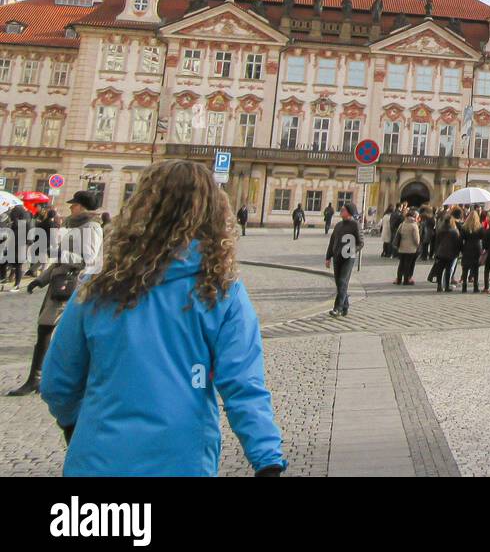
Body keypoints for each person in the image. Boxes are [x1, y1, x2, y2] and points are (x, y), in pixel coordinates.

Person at [40, 159, 285, 477]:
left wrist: (74, 424)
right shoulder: (220, 292)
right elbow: (244, 386)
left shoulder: (97, 288)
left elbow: (57, 382)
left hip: (98, 459)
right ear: (213, 214)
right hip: (180, 459)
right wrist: (267, 460)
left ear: (141, 208)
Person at [8, 191, 104, 397]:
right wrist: (41, 279)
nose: (71, 207)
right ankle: (40, 377)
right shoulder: (76, 226)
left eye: (75, 204)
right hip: (58, 283)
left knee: (46, 329)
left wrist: (57, 252)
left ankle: (37, 378)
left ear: (83, 207)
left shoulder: (92, 227)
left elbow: (88, 259)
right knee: (46, 329)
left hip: (70, 286)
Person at [325, 204, 362, 316]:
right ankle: (345, 305)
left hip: (348, 257)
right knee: (339, 283)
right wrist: (328, 257)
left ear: (350, 212)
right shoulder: (338, 225)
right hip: (337, 257)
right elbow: (332, 242)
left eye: (344, 210)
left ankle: (338, 308)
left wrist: (352, 250)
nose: (341, 211)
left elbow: (361, 242)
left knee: (342, 281)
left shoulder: (355, 225)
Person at [429, 211, 461, 291]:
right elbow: (457, 243)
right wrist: (458, 252)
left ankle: (439, 286)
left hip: (440, 253)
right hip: (451, 253)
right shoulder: (454, 232)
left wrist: (435, 252)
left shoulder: (440, 231)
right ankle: (446, 286)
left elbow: (437, 242)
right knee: (448, 270)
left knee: (440, 269)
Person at [393, 209, 421, 285]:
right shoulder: (414, 225)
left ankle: (399, 279)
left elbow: (397, 235)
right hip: (411, 249)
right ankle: (406, 280)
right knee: (408, 265)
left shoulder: (402, 224)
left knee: (401, 264)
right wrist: (418, 245)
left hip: (402, 247)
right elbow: (416, 239)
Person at [460, 211, 483, 294]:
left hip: (467, 248)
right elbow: (483, 237)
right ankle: (475, 287)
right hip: (476, 248)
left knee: (465, 268)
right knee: (475, 269)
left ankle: (464, 287)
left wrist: (462, 249)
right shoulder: (479, 227)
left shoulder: (464, 227)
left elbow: (461, 239)